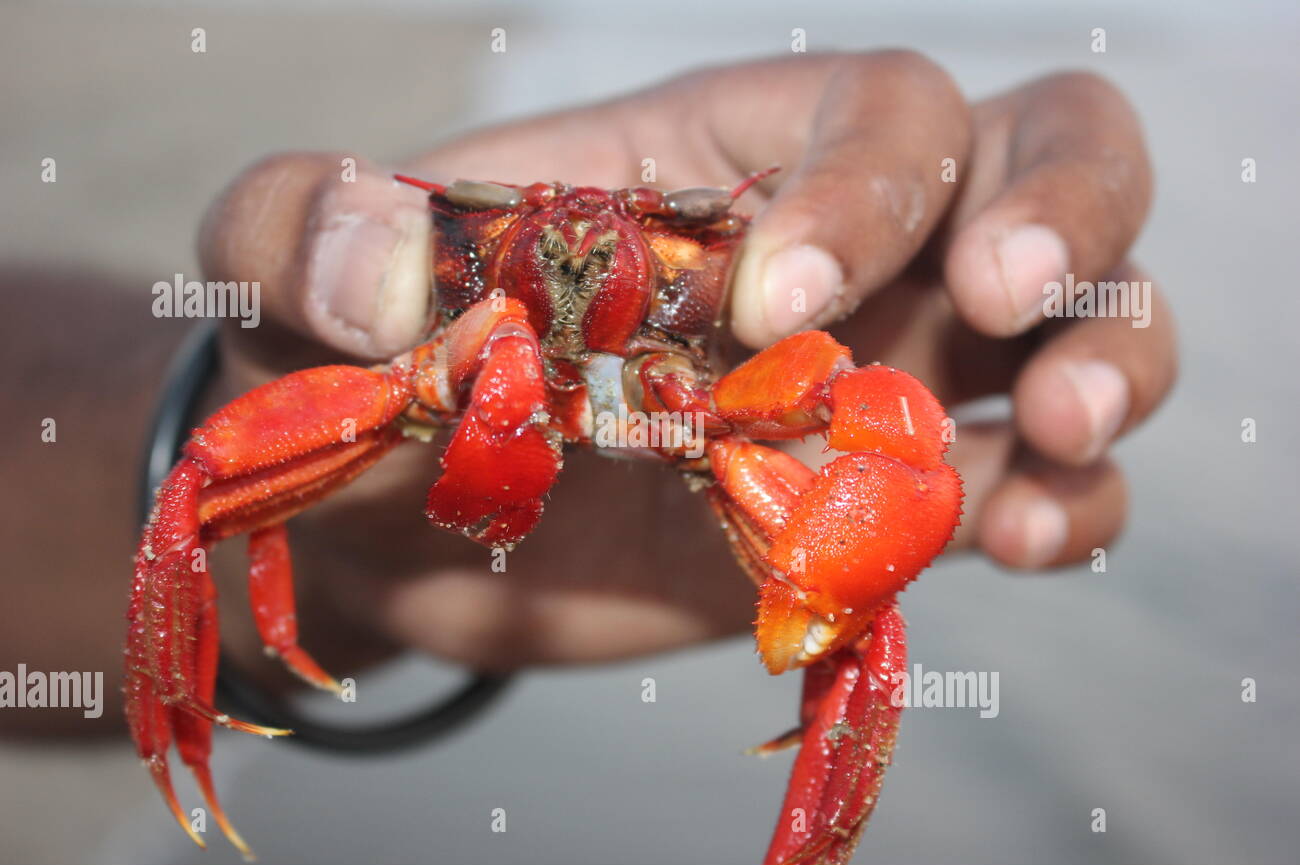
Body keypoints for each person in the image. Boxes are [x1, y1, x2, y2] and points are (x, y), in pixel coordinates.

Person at [9, 52, 1178, 729]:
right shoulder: (468, 317)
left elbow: (899, 435)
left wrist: (829, 558)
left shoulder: (732, 327)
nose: (583, 257)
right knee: (205, 482)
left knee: (863, 628)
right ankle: (189, 740)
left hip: (690, 396)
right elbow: (210, 468)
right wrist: (298, 526)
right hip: (450, 365)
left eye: (643, 237)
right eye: (535, 227)